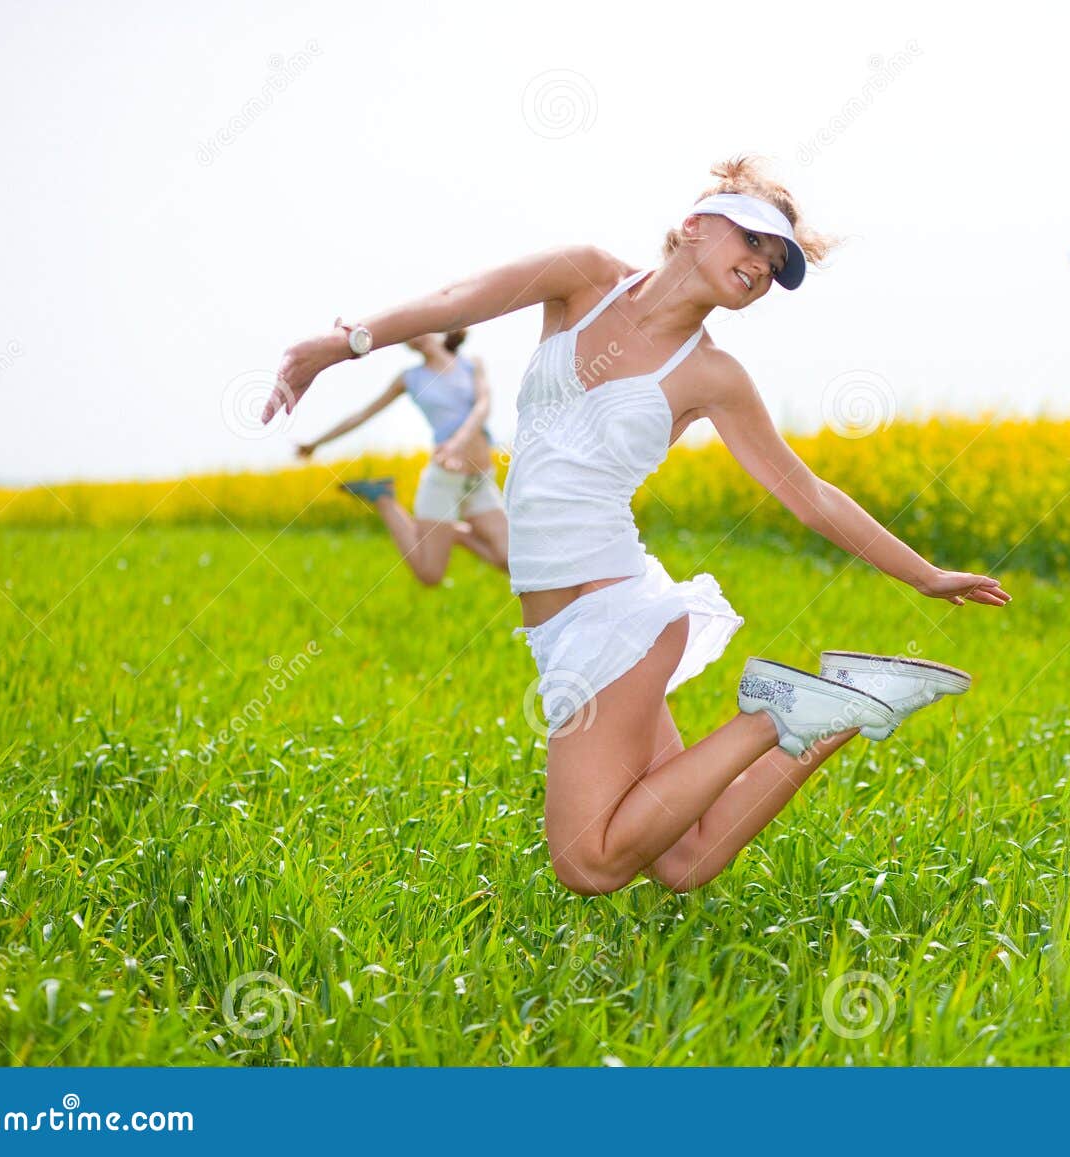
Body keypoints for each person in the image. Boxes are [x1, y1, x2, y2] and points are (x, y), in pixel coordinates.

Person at [267, 157, 1011, 895]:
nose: (762, 265)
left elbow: (808, 494)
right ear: (695, 225)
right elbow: (456, 300)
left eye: (776, 262)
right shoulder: (584, 279)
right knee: (685, 860)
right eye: (753, 240)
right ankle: (837, 707)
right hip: (564, 622)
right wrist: (340, 344)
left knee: (587, 864)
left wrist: (925, 575)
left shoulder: (713, 375)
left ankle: (774, 717)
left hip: (612, 612)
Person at [295, 329, 508, 585]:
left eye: (419, 329)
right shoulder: (411, 378)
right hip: (444, 480)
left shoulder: (471, 364)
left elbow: (483, 406)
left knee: (509, 560)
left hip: (480, 480)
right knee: (430, 575)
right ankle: (384, 499)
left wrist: (456, 443)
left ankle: (452, 531)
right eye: (407, 336)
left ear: (438, 327)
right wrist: (316, 443)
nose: (415, 337)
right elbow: (363, 414)